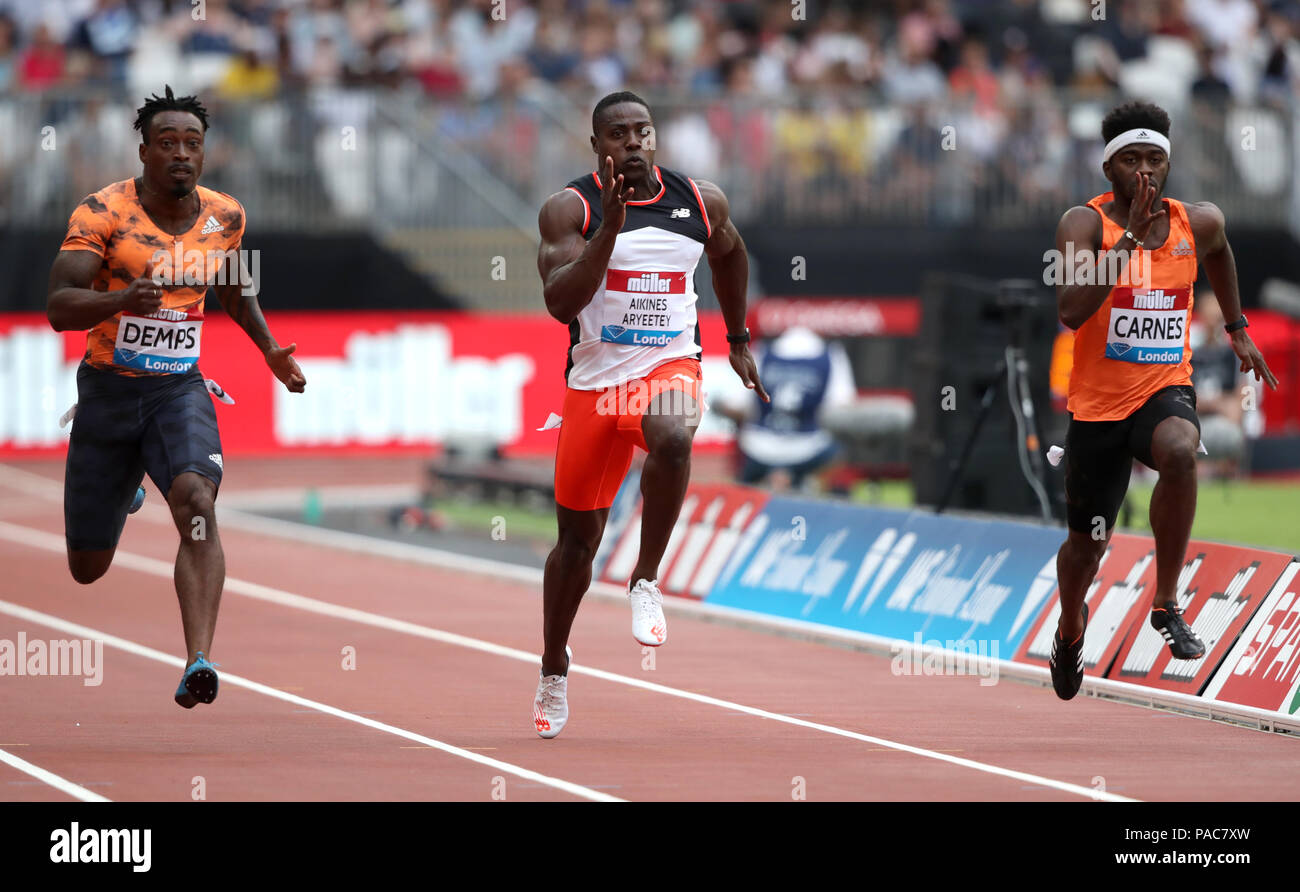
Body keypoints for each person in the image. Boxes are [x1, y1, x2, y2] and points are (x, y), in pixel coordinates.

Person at [45, 86, 306, 708]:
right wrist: (117, 300)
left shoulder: (226, 216)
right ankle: (127, 483)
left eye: (193, 144)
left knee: (196, 500)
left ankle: (198, 659)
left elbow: (237, 291)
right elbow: (59, 307)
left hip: (177, 389)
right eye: (168, 144)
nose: (182, 154)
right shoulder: (100, 213)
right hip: (108, 392)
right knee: (87, 566)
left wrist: (268, 349)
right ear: (144, 151)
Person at [532, 90, 768, 738]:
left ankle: (645, 577)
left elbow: (731, 253)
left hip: (668, 368)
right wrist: (609, 225)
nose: (632, 143)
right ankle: (554, 662)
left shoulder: (699, 200)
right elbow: (559, 301)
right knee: (575, 548)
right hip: (595, 388)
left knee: (674, 437)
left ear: (655, 138)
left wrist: (739, 338)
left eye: (642, 131)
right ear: (597, 146)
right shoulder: (570, 208)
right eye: (618, 135)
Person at [1048, 100, 1277, 700]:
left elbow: (1221, 250)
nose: (1145, 171)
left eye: (1156, 158)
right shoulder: (1083, 225)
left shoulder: (1194, 222)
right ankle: (1071, 626)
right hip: (1097, 408)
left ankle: (1166, 601)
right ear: (1109, 170)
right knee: (1084, 548)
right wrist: (1125, 242)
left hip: (1163, 388)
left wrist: (1237, 327)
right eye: (1131, 159)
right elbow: (1070, 310)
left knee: (1181, 450)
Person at [714, 325, 856, 489]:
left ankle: (746, 487)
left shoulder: (763, 353)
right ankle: (809, 484)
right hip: (810, 448)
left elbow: (739, 405)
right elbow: (842, 407)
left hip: (758, 447)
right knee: (838, 449)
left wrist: (719, 407)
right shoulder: (830, 357)